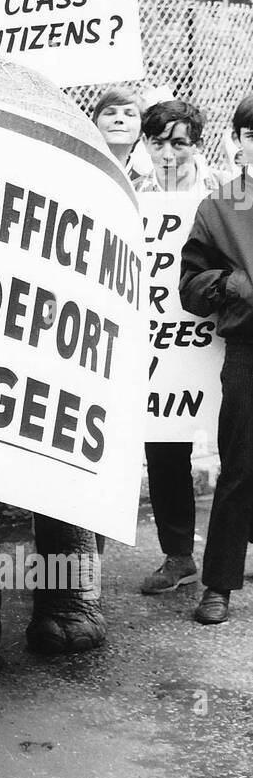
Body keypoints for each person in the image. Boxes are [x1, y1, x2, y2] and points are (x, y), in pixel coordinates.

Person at [133, 100, 224, 597]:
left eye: (179, 142)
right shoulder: (131, 195)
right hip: (161, 347)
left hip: (216, 337)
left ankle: (241, 545)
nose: (167, 153)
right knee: (164, 445)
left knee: (235, 443)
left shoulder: (225, 195)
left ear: (198, 145)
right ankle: (178, 556)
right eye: (158, 142)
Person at [179, 94, 253, 623]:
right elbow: (188, 287)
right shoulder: (219, 205)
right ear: (239, 140)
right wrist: (234, 284)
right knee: (240, 466)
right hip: (248, 350)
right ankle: (219, 585)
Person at [92, 85, 147, 181]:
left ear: (141, 130)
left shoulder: (148, 185)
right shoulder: (76, 171)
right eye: (110, 113)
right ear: (95, 124)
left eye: (130, 114)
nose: (119, 119)